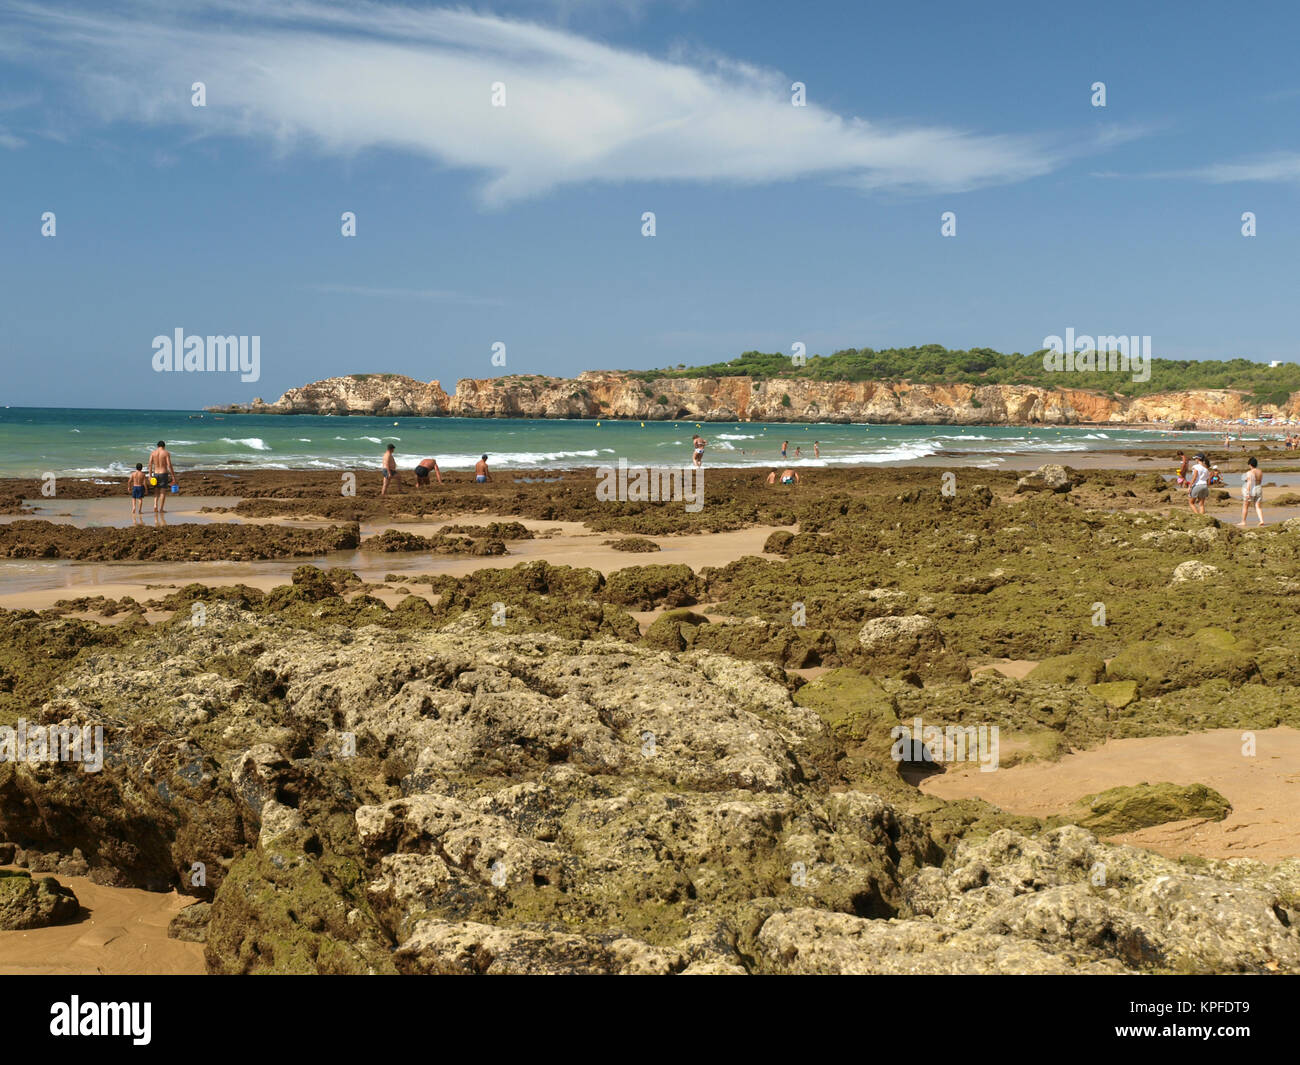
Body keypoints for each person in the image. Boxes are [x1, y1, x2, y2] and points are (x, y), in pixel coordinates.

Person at [148, 441, 177, 514]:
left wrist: (150, 475)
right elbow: (169, 465)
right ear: (164, 446)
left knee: (156, 491)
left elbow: (150, 465)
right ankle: (161, 509)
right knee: (162, 492)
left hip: (155, 473)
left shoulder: (153, 453)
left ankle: (155, 505)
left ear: (157, 446)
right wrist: (173, 476)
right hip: (163, 473)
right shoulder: (166, 453)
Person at [1238, 456, 1264, 527]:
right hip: (1259, 488)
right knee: (1258, 506)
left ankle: (1243, 521)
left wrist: (1247, 492)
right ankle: (1261, 520)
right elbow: (1260, 481)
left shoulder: (1249, 472)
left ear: (1250, 464)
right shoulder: (1260, 471)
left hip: (1252, 488)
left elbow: (1249, 482)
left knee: (1245, 506)